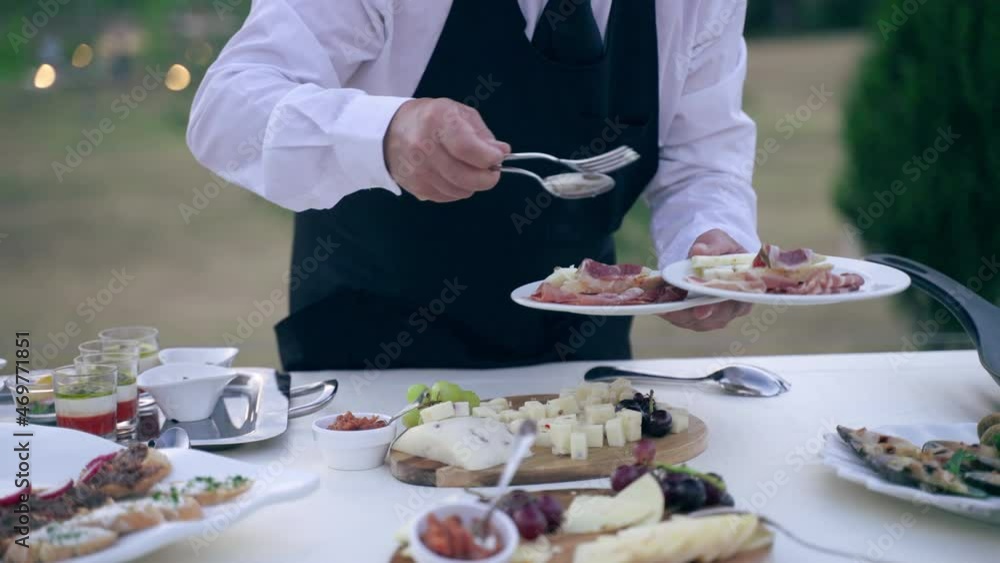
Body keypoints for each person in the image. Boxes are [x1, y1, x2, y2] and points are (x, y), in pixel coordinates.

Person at [187, 0, 759, 371]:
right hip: (374, 353)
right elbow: (225, 110)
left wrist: (708, 245)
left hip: (579, 356)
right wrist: (384, 133)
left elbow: (700, 159)